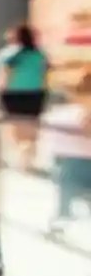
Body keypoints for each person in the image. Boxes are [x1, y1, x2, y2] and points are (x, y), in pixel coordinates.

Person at [0, 24, 48, 172]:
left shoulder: (12, 56)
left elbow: (5, 77)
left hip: (14, 94)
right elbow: (44, 75)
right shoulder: (40, 55)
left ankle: (19, 158)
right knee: (32, 127)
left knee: (15, 127)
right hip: (35, 94)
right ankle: (28, 161)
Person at [48, 95, 91, 238]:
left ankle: (63, 216)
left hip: (74, 160)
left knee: (67, 185)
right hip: (77, 159)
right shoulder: (72, 112)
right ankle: (63, 215)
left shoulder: (65, 113)